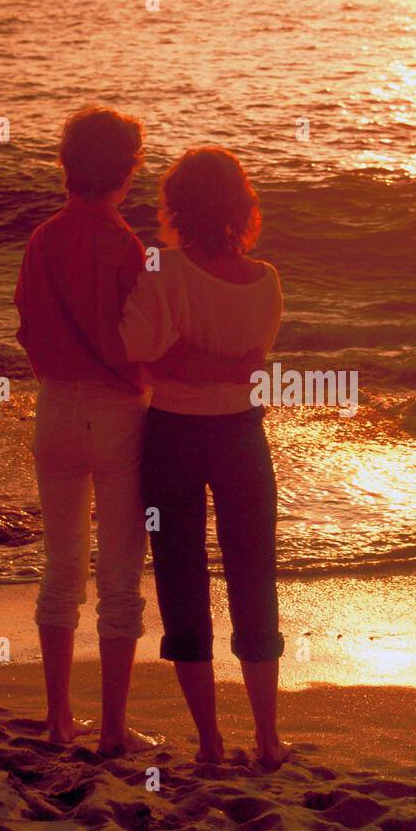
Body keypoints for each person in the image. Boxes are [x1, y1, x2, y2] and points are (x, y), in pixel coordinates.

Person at [15, 107, 253, 755]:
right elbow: (143, 347)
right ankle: (113, 731)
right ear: (127, 174)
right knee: (120, 577)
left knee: (61, 568)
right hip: (118, 416)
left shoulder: (41, 239)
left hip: (55, 408)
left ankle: (58, 719)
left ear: (67, 167)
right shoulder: (128, 248)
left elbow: (29, 335)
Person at [120, 147, 292, 769]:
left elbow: (142, 354)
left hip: (173, 436)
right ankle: (269, 738)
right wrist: (224, 366)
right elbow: (251, 363)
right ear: (241, 207)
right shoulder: (266, 281)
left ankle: (212, 744)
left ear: (177, 207)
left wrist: (182, 361)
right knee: (254, 576)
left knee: (180, 577)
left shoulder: (161, 269)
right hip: (242, 438)